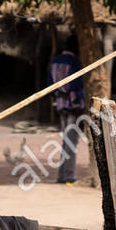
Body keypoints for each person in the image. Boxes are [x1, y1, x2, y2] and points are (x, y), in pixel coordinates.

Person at [49, 35, 85, 184]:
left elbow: (50, 85)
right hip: (73, 107)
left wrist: (58, 95)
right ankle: (68, 175)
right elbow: (77, 84)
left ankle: (61, 175)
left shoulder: (54, 61)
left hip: (60, 105)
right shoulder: (75, 62)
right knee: (71, 142)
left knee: (66, 141)